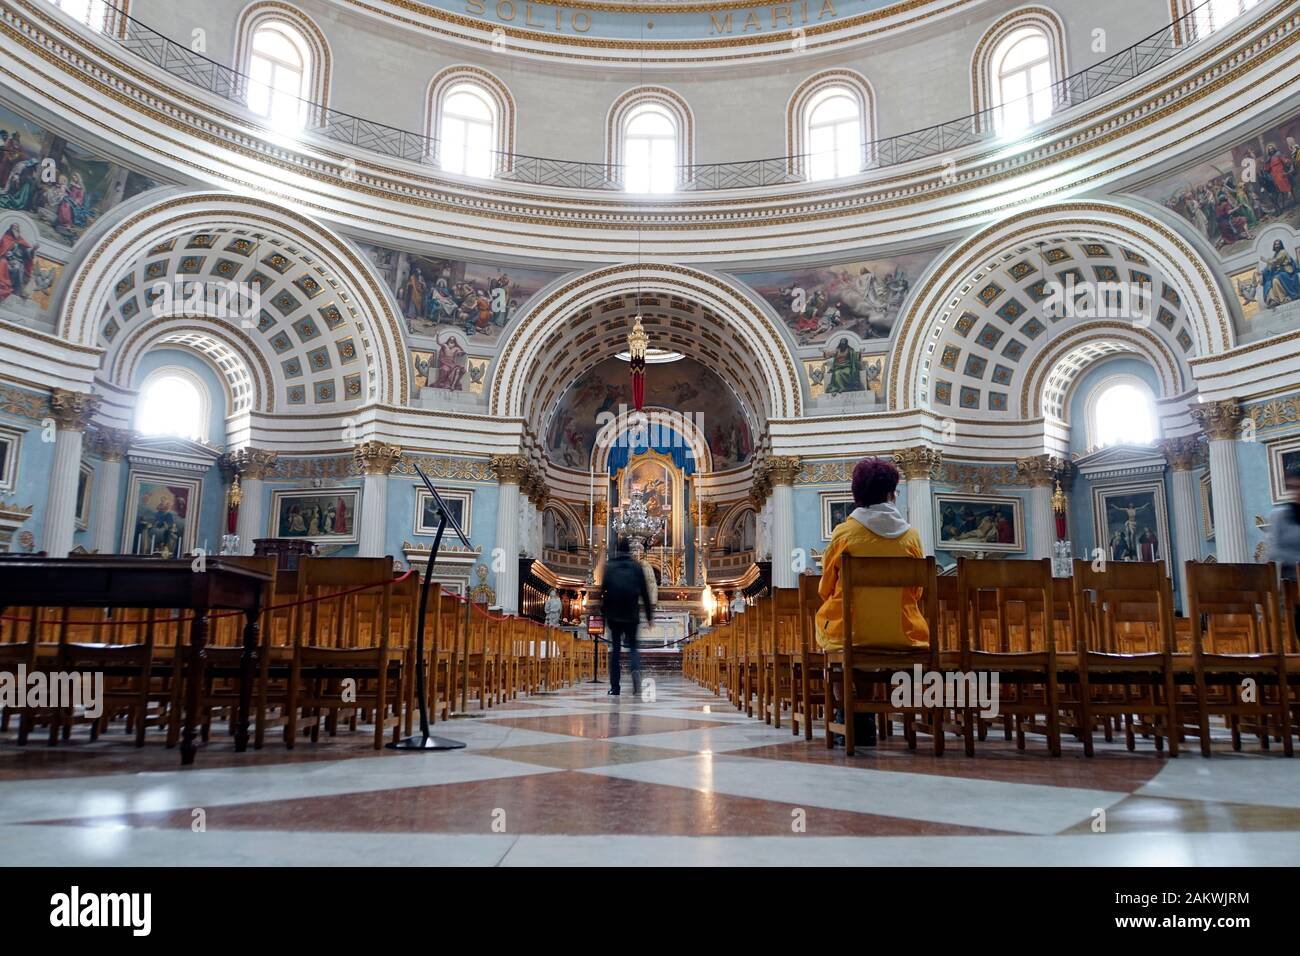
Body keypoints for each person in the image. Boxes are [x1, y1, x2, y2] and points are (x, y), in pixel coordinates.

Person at [815, 457, 929, 746]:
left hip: (851, 631)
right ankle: (863, 715)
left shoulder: (844, 533)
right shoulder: (912, 537)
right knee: (870, 644)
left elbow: (825, 588)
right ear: (892, 493)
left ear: (857, 496)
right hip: (903, 632)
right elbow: (917, 591)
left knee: (840, 647)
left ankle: (849, 713)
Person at [600, 538, 654, 696]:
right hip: (632, 614)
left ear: (617, 550)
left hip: (614, 615)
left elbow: (603, 592)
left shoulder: (610, 567)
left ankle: (615, 688)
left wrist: (603, 614)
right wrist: (650, 616)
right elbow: (644, 592)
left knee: (615, 652)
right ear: (629, 550)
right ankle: (635, 668)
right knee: (633, 648)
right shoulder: (637, 567)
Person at [1267, 466, 1300, 583]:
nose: (1297, 492)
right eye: (1293, 487)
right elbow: (1274, 552)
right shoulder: (1279, 515)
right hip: (1291, 579)